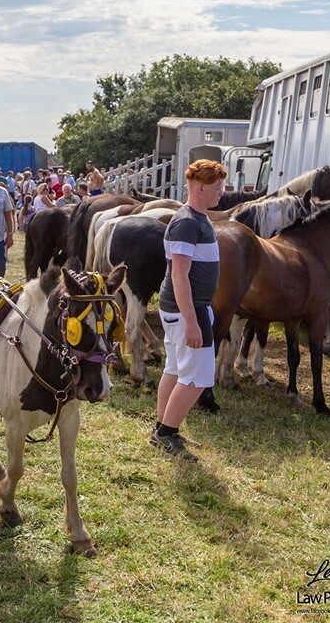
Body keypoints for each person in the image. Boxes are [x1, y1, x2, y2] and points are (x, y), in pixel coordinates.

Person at [150, 159, 226, 461]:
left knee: (177, 369)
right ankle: (166, 435)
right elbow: (180, 275)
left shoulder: (197, 218)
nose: (222, 191)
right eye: (217, 186)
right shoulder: (187, 223)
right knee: (197, 376)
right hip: (187, 310)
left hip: (187, 309)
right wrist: (192, 322)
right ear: (200, 187)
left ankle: (163, 429)